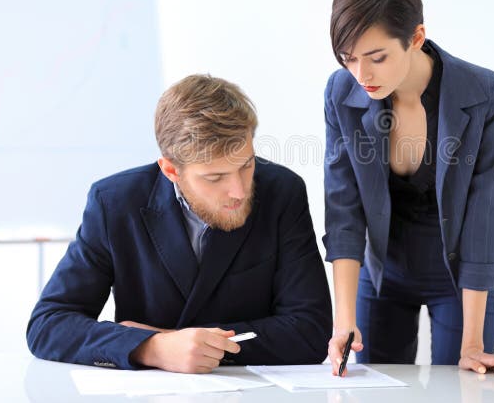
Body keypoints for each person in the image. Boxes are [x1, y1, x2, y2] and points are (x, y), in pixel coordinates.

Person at [27, 74, 331, 373]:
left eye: (246, 164)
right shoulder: (115, 202)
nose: (239, 191)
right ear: (171, 170)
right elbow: (49, 324)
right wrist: (153, 349)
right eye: (215, 177)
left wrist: (174, 341)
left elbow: (310, 331)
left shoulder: (283, 191)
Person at [323, 0, 494, 377]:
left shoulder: (486, 93)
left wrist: (472, 344)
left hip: (459, 276)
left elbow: (488, 214)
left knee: (463, 383)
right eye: (349, 58)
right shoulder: (341, 92)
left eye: (377, 57)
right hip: (381, 274)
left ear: (416, 37)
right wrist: (343, 321)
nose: (362, 75)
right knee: (380, 386)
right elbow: (344, 206)